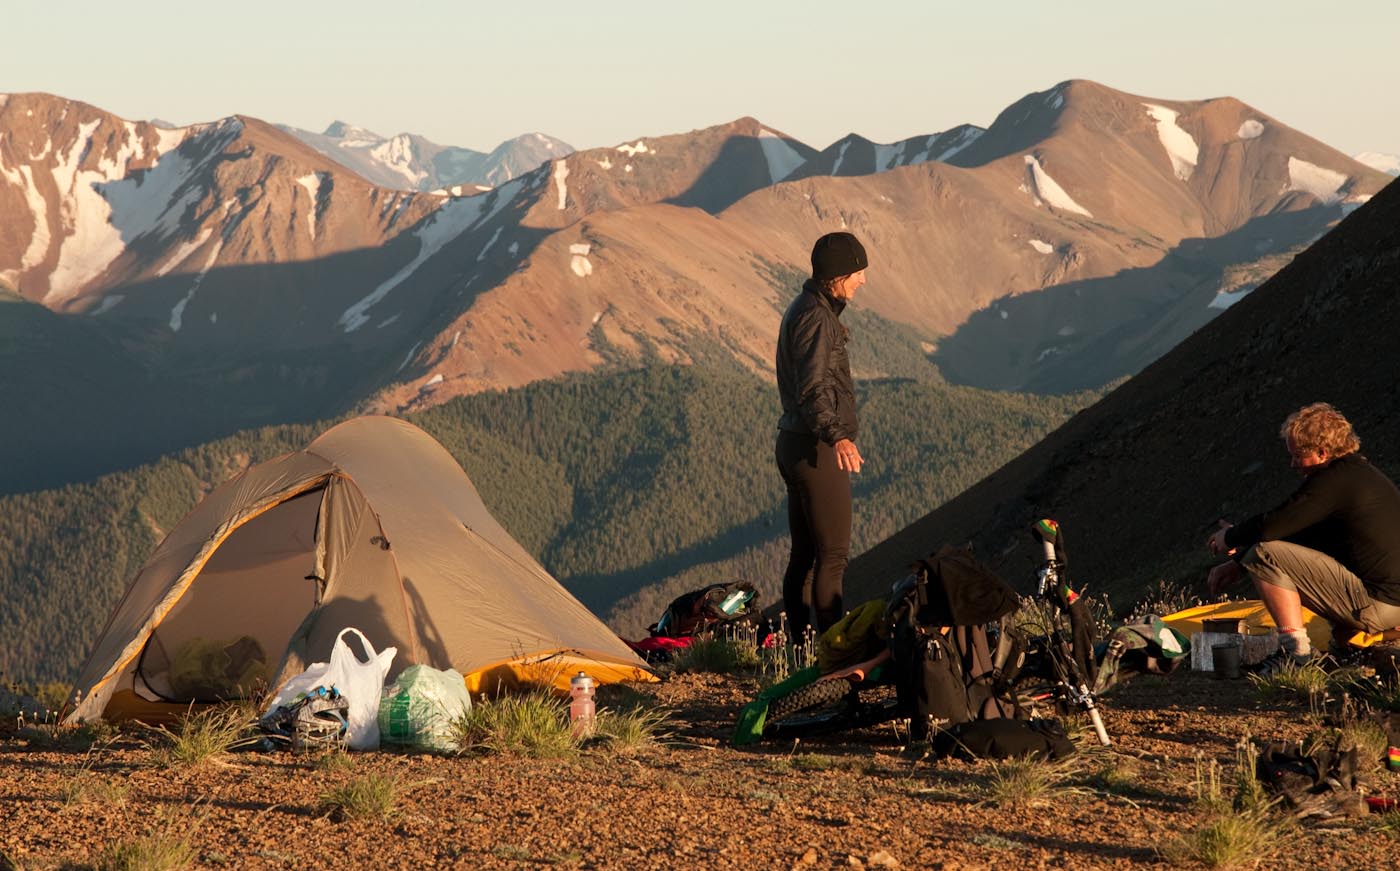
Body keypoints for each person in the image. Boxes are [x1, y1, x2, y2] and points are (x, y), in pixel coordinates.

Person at [1206, 402, 1400, 674]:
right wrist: (1238, 563)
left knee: (1264, 552)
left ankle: (1296, 656)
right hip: (1391, 603)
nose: (1293, 465)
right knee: (1263, 552)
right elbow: (1302, 535)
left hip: (1378, 604)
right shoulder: (1357, 475)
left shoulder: (1337, 479)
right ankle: (1345, 652)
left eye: (1298, 456)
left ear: (1322, 452)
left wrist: (1230, 536)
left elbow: (1275, 524)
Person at [774, 231, 868, 642]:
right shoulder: (816, 317)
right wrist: (837, 437)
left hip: (795, 444)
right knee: (832, 556)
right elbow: (811, 390)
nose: (862, 280)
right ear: (836, 275)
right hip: (815, 449)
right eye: (857, 272)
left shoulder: (810, 308)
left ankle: (800, 648)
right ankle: (834, 652)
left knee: (806, 556)